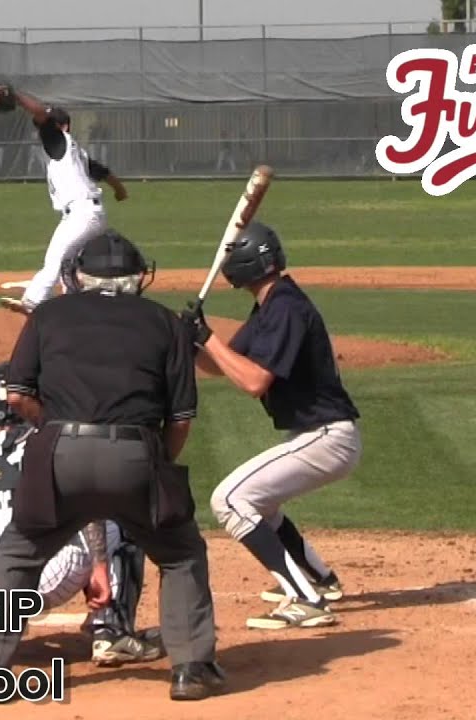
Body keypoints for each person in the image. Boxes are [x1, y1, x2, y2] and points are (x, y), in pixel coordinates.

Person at [0, 230, 226, 702]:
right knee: (179, 552)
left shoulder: (47, 316)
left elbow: (18, 395)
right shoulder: (165, 323)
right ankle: (191, 667)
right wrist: (156, 464)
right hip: (136, 453)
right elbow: (179, 420)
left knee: (20, 552)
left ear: (78, 277)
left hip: (57, 455)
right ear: (138, 277)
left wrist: (57, 430)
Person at [0, 361, 164, 670]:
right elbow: (90, 499)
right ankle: (111, 633)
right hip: (46, 579)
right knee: (116, 514)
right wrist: (98, 561)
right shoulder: (53, 441)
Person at [181, 222, 361, 630]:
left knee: (228, 500)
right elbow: (222, 364)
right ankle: (319, 578)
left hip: (327, 438)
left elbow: (254, 381)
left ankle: (305, 599)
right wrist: (191, 342)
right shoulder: (271, 305)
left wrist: (206, 336)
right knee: (258, 501)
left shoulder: (285, 307)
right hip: (321, 435)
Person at [0, 88, 131, 315]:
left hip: (82, 214)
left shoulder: (59, 141)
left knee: (55, 257)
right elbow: (103, 172)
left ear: (62, 127)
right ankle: (78, 308)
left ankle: (33, 302)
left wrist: (16, 96)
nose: (40, 130)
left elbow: (39, 113)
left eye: (45, 126)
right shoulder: (74, 153)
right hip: (90, 214)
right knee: (72, 266)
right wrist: (120, 191)